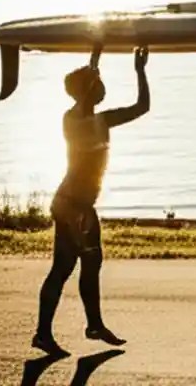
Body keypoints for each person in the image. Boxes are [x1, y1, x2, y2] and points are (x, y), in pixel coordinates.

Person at [32, 48, 150, 356]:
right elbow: (87, 92)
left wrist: (137, 68)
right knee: (68, 267)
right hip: (73, 206)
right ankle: (53, 332)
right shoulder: (74, 121)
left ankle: (86, 327)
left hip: (77, 204)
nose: (102, 86)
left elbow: (142, 107)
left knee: (83, 263)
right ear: (87, 90)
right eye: (97, 83)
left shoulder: (101, 120)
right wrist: (98, 62)